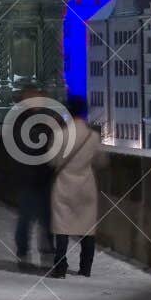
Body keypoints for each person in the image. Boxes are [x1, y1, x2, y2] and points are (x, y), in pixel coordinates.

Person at [48, 98, 101, 278]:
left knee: (62, 228)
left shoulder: (60, 135)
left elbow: (52, 161)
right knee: (87, 228)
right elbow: (101, 161)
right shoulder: (93, 136)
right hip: (86, 186)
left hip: (64, 185)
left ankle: (60, 267)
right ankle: (85, 268)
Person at [12, 84, 55, 270]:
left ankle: (46, 253)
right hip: (30, 178)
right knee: (27, 219)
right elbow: (28, 146)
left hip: (43, 177)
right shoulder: (21, 121)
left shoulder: (42, 118)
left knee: (46, 219)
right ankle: (24, 254)